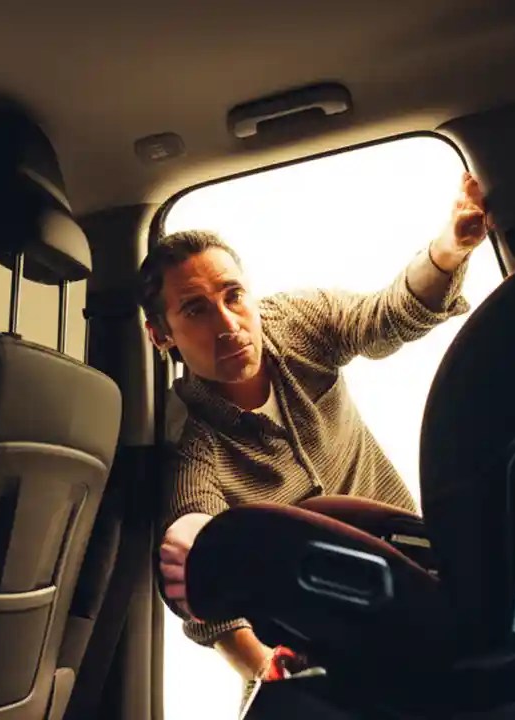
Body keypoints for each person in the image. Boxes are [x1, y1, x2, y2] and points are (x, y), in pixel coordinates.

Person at [138, 171, 492, 686]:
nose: (228, 322)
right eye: (196, 309)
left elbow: (387, 316)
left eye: (233, 295)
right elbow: (205, 577)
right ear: (160, 335)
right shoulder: (193, 442)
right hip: (321, 643)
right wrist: (271, 672)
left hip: (417, 570)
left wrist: (449, 248)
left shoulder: (301, 322)